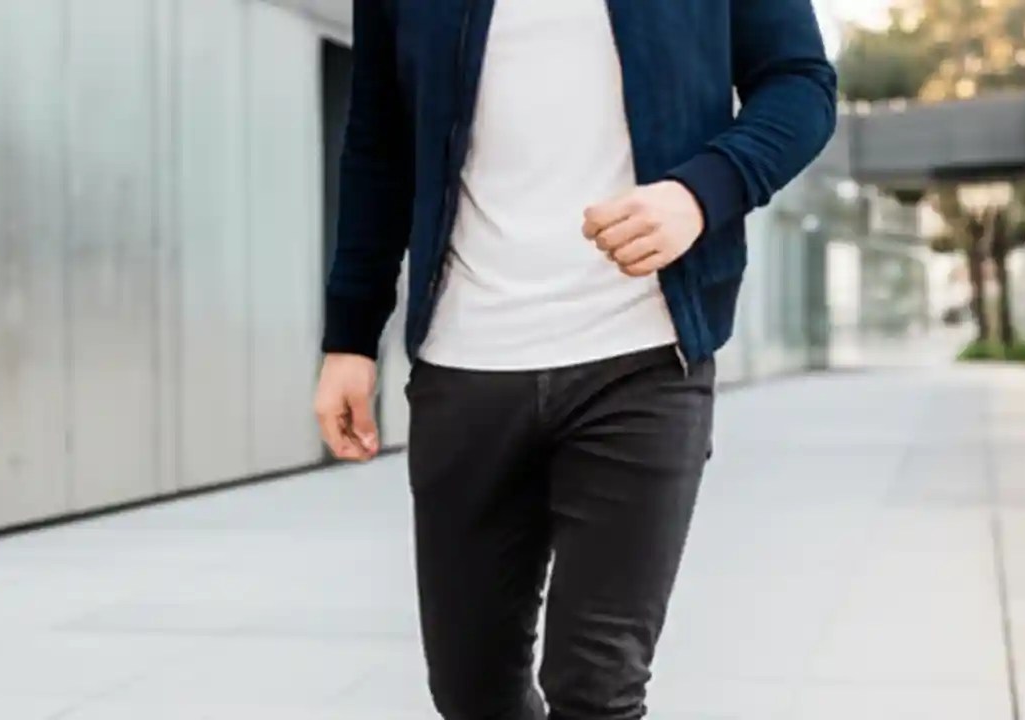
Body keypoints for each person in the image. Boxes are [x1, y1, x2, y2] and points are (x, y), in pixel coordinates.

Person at [314, 0, 836, 717]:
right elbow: (378, 139)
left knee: (597, 686)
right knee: (472, 691)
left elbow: (801, 84)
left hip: (642, 355)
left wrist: (698, 194)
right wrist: (350, 333)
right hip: (466, 360)